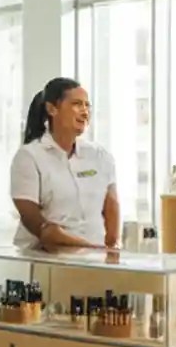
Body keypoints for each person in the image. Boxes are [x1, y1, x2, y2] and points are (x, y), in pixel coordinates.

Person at [10, 77, 120, 251]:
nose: (84, 112)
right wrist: (92, 248)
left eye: (87, 105)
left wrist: (110, 250)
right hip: (45, 261)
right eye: (77, 104)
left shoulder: (100, 155)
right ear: (52, 109)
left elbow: (112, 206)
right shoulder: (29, 157)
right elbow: (41, 228)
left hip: (95, 261)